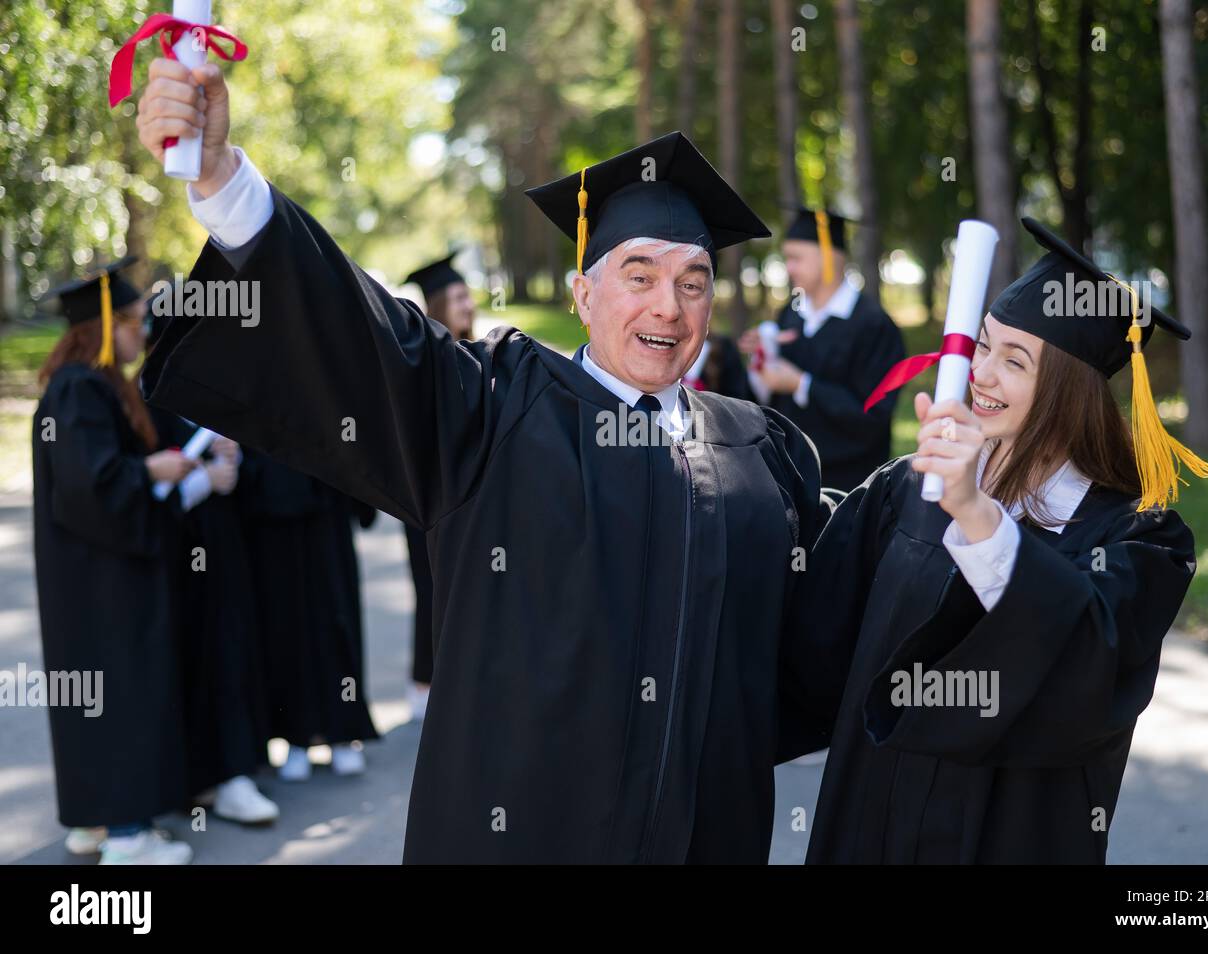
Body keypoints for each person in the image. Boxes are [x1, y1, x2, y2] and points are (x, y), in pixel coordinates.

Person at [135, 56, 830, 862]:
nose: (666, 306)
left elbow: (841, 597)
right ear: (583, 294)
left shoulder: (759, 451)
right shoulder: (496, 408)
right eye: (638, 274)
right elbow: (365, 335)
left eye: (693, 281)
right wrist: (223, 180)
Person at [788, 218, 1208, 864]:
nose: (980, 373)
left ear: (1070, 394)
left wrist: (977, 516)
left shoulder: (1140, 541)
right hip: (865, 835)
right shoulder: (907, 492)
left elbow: (1087, 661)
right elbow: (805, 629)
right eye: (982, 345)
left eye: (1013, 360)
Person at [31, 258, 193, 864]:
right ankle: (127, 834)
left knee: (92, 700)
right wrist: (150, 470)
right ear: (103, 327)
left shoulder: (74, 388)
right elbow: (88, 488)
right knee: (119, 693)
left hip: (88, 579)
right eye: (130, 322)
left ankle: (95, 822)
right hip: (103, 581)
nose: (140, 333)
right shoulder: (80, 390)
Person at [144, 305, 279, 824]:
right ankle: (199, 776)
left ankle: (230, 772)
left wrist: (230, 461)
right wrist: (202, 478)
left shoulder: (207, 387)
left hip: (219, 545)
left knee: (227, 648)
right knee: (191, 652)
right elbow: (145, 481)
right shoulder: (145, 396)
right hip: (172, 549)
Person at [235, 449, 381, 781]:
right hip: (271, 511)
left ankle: (342, 731)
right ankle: (296, 736)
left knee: (336, 617)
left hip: (327, 504)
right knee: (284, 625)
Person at [742, 207, 904, 491]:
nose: (788, 268)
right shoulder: (790, 314)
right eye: (787, 258)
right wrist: (762, 360)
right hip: (788, 475)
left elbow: (872, 418)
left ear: (829, 257)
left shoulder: (874, 326)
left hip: (849, 486)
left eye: (797, 258)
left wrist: (801, 384)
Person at [402, 253, 475, 717]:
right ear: (436, 305)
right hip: (427, 496)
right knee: (431, 587)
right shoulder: (424, 357)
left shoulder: (484, 352)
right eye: (458, 297)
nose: (468, 304)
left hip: (471, 494)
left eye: (468, 295)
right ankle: (424, 683)